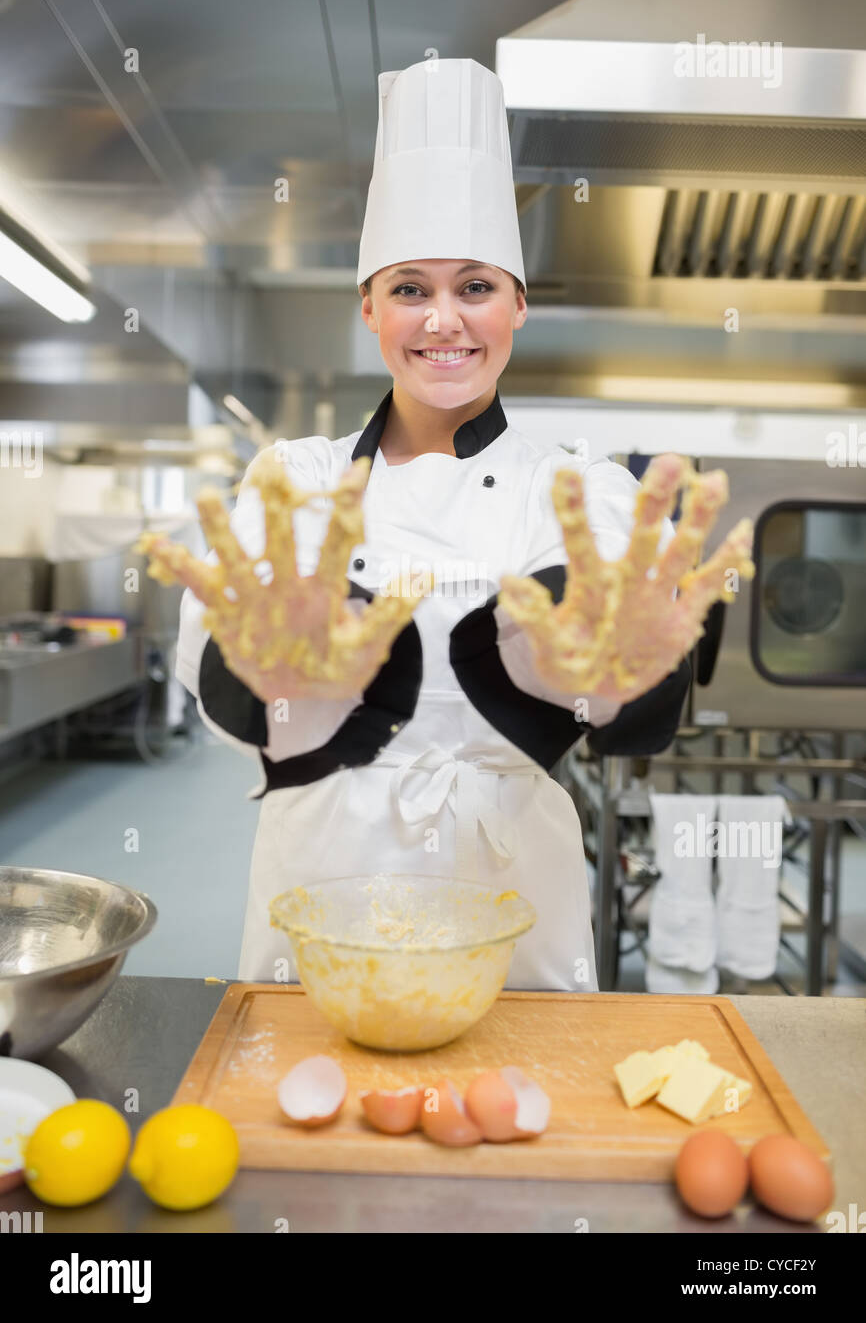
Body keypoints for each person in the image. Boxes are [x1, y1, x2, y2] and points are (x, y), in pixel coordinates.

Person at [137, 59, 753, 991]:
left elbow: (610, 695)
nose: (443, 321)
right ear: (368, 308)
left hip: (510, 887)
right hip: (321, 873)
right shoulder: (295, 481)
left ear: (517, 305)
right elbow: (231, 685)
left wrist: (616, 673)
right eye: (410, 289)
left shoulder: (579, 493)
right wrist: (275, 673)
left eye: (474, 287)